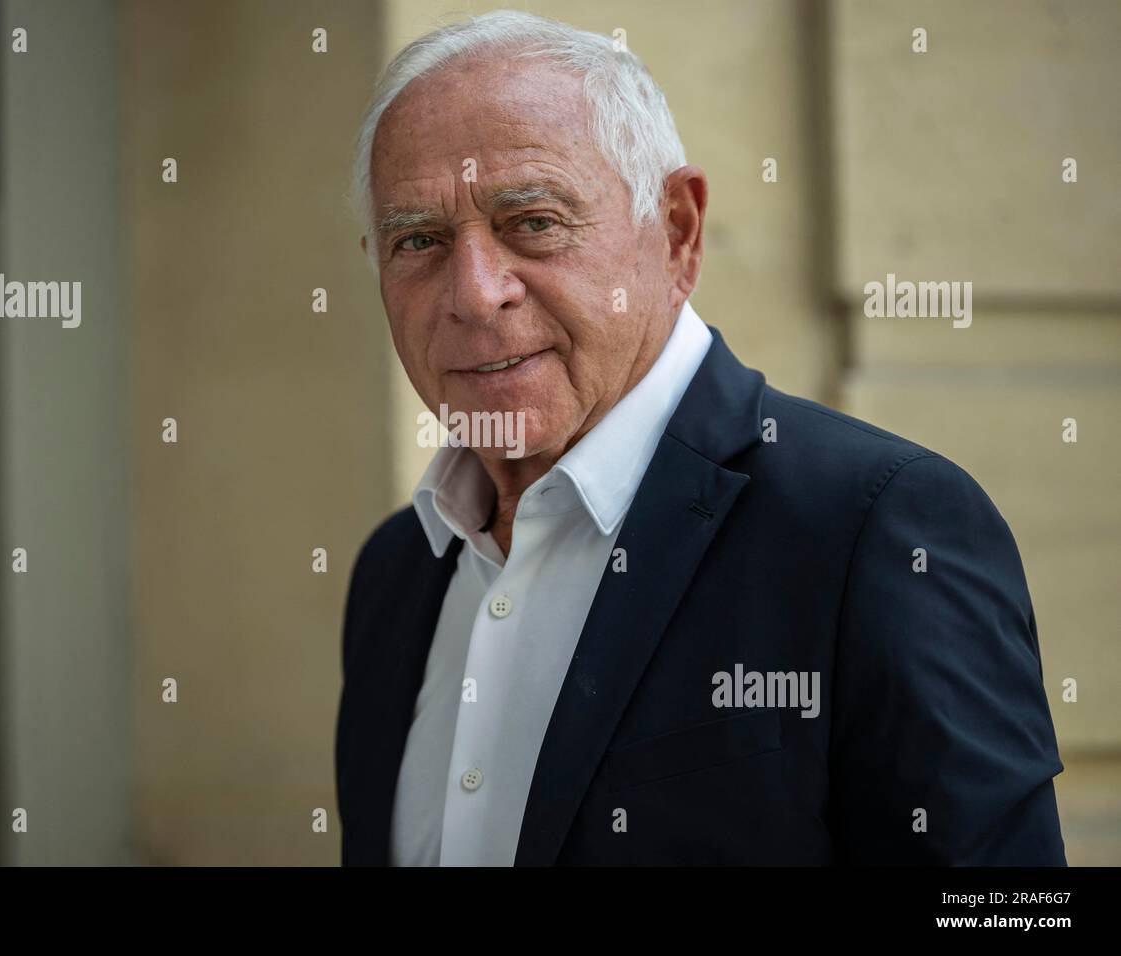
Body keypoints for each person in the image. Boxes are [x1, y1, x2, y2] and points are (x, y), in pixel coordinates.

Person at [334, 10, 1066, 866]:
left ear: (677, 230)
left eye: (532, 220)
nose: (473, 292)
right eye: (417, 240)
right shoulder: (396, 573)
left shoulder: (876, 529)